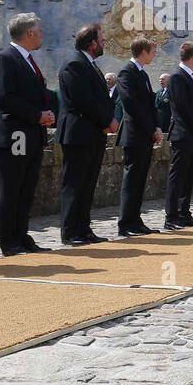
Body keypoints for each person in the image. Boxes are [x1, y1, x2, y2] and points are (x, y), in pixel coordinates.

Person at [0, 13, 55, 255]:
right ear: (29, 34)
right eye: (39, 30)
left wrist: (46, 114)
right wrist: (37, 115)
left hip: (31, 135)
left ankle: (21, 235)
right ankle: (9, 240)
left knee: (26, 188)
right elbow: (5, 97)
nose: (41, 35)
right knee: (12, 187)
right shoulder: (4, 59)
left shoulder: (27, 60)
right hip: (14, 135)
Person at [57, 24, 117, 246]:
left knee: (88, 183)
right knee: (75, 183)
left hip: (92, 134)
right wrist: (107, 121)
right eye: (101, 40)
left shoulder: (90, 65)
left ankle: (83, 228)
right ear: (92, 43)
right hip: (78, 134)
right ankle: (70, 231)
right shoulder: (75, 64)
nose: (103, 43)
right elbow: (83, 100)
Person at [115, 36, 163, 236]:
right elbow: (132, 105)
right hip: (135, 134)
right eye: (152, 51)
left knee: (140, 179)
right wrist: (151, 128)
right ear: (143, 51)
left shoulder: (142, 74)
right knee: (132, 179)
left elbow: (149, 104)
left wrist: (156, 127)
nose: (154, 55)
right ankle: (126, 223)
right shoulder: (127, 72)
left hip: (145, 134)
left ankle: (135, 220)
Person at [164, 41, 193, 229]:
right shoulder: (177, 77)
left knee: (189, 175)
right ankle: (171, 216)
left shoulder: (192, 76)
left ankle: (184, 212)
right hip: (183, 134)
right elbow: (183, 108)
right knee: (178, 176)